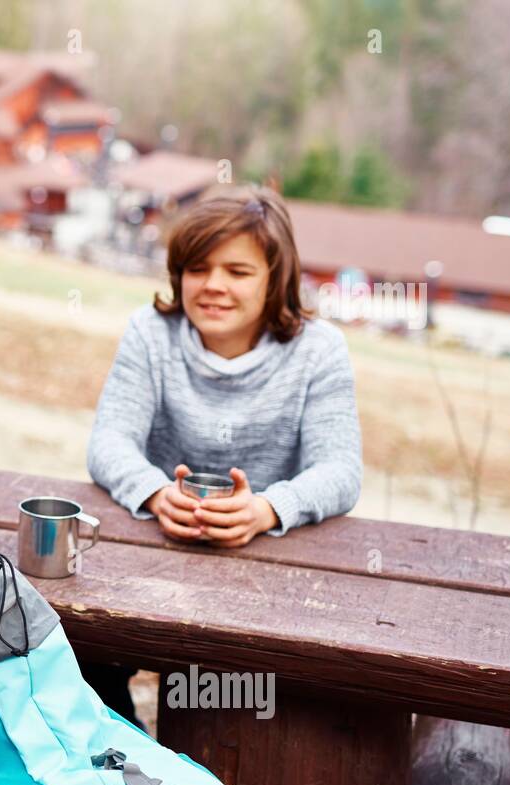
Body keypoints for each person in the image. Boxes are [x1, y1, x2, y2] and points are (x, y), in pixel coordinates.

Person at [82, 185, 363, 722]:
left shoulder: (318, 350)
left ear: (274, 278)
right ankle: (131, 770)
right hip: (153, 559)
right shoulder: (151, 332)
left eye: (237, 271)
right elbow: (109, 441)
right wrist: (156, 493)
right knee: (83, 652)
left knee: (232, 704)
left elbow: (341, 470)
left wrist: (267, 510)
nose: (213, 286)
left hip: (262, 577)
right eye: (197, 268)